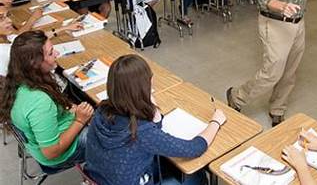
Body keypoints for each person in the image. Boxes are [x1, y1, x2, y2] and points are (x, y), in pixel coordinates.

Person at [85, 54, 226, 185]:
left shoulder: (102, 109)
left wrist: (153, 115)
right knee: (196, 175)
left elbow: (152, 130)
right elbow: (193, 149)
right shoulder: (142, 132)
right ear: (146, 85)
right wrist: (215, 122)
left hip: (99, 178)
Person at [0, 31, 93, 169]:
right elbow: (51, 152)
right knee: (116, 137)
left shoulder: (20, 79)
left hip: (48, 135)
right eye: (50, 53)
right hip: (59, 155)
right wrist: (79, 121)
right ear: (35, 63)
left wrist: (69, 110)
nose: (57, 54)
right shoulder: (39, 102)